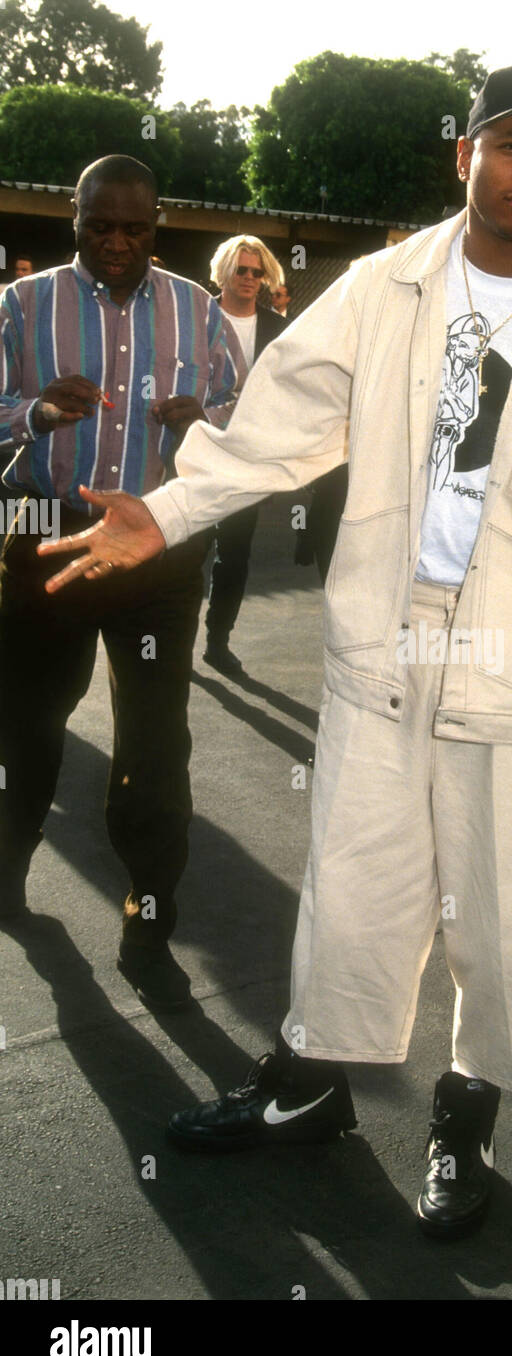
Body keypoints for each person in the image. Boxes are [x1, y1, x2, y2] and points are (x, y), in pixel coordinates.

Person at [38, 69, 512, 1237]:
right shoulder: (384, 287)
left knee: (508, 921)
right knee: (356, 897)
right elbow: (280, 423)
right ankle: (308, 1088)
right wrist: (171, 507)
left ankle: (466, 1116)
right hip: (384, 653)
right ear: (465, 154)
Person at [0, 155, 243, 1010]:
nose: (115, 242)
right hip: (43, 529)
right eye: (99, 224)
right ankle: (14, 855)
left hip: (160, 542)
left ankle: (149, 912)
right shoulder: (22, 306)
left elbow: (244, 417)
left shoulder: (198, 309)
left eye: (133, 228)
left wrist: (203, 421)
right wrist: (34, 413)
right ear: (74, 219)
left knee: (153, 738)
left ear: (157, 226)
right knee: (29, 719)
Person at [203, 235, 288, 675]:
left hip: (247, 456)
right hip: (195, 448)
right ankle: (164, 639)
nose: (251, 278)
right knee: (182, 549)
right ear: (224, 272)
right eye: (242, 270)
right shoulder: (198, 318)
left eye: (258, 271)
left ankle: (218, 641)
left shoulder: (277, 327)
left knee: (234, 554)